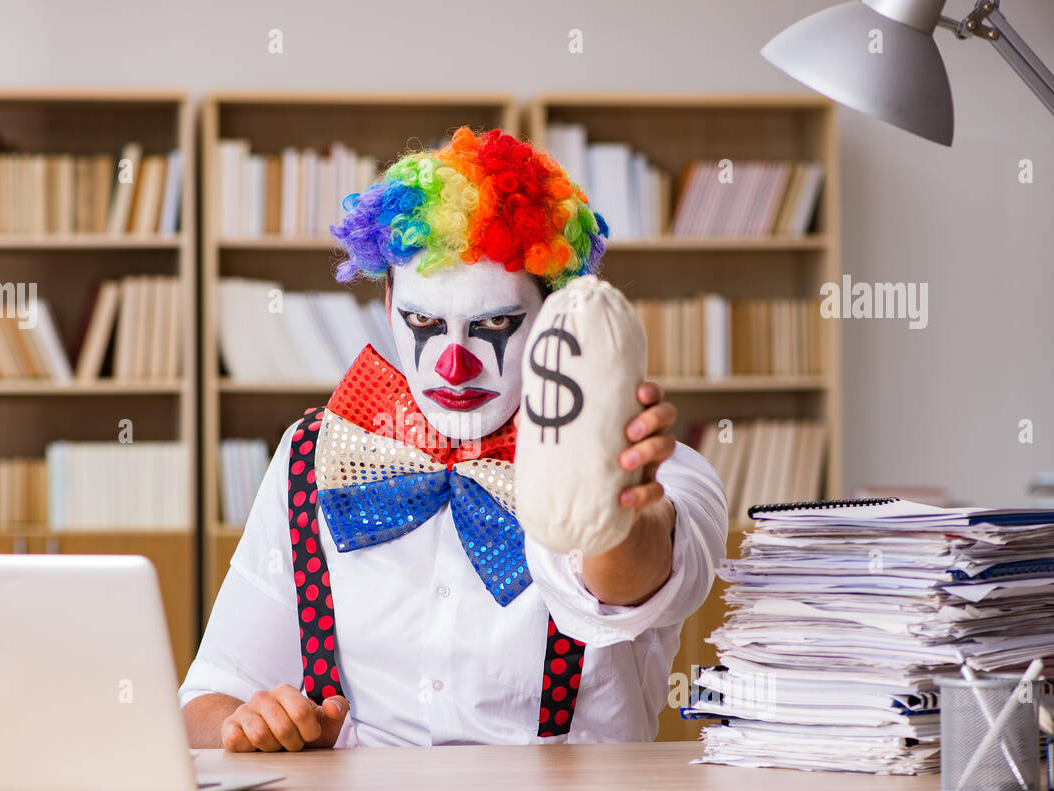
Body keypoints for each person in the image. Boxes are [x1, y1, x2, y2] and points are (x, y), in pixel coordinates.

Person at [181, 127, 728, 750]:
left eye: (493, 323)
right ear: (387, 301)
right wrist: (250, 724)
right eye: (424, 323)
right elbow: (206, 698)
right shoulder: (313, 458)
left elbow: (624, 587)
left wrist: (611, 497)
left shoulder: (665, 473)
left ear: (556, 313)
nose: (452, 364)